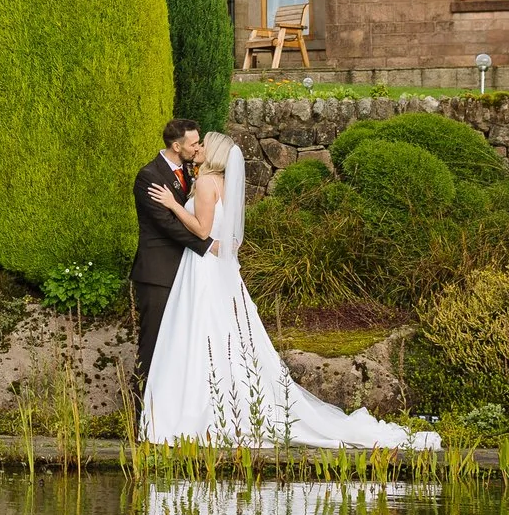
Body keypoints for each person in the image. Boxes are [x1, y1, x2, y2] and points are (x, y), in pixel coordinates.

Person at [138, 131, 439, 450]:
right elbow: (231, 236)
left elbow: (200, 229)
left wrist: (172, 204)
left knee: (200, 333)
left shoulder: (205, 183)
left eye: (203, 145)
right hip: (214, 267)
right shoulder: (223, 184)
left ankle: (196, 413)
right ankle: (227, 409)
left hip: (202, 268)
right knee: (222, 334)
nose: (198, 148)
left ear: (213, 153)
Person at [131, 117, 211, 387]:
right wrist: (207, 243)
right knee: (152, 344)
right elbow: (166, 224)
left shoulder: (191, 171)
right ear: (177, 146)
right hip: (158, 273)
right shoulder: (149, 176)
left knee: (179, 346)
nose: (198, 147)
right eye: (194, 143)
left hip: (184, 271)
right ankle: (140, 413)